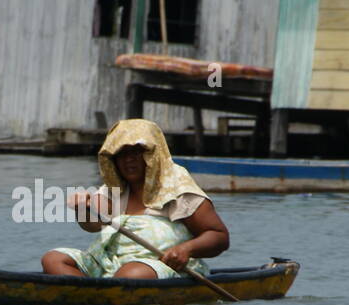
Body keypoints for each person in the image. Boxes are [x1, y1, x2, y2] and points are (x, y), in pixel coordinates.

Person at [42, 119, 229, 279]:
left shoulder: (178, 187)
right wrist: (82, 208)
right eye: (121, 154)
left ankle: (105, 296)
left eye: (136, 152)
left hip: (163, 267)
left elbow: (218, 236)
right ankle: (90, 298)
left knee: (130, 275)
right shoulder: (115, 187)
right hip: (110, 265)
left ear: (153, 156)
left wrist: (185, 250)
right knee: (53, 259)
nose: (128, 159)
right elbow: (92, 225)